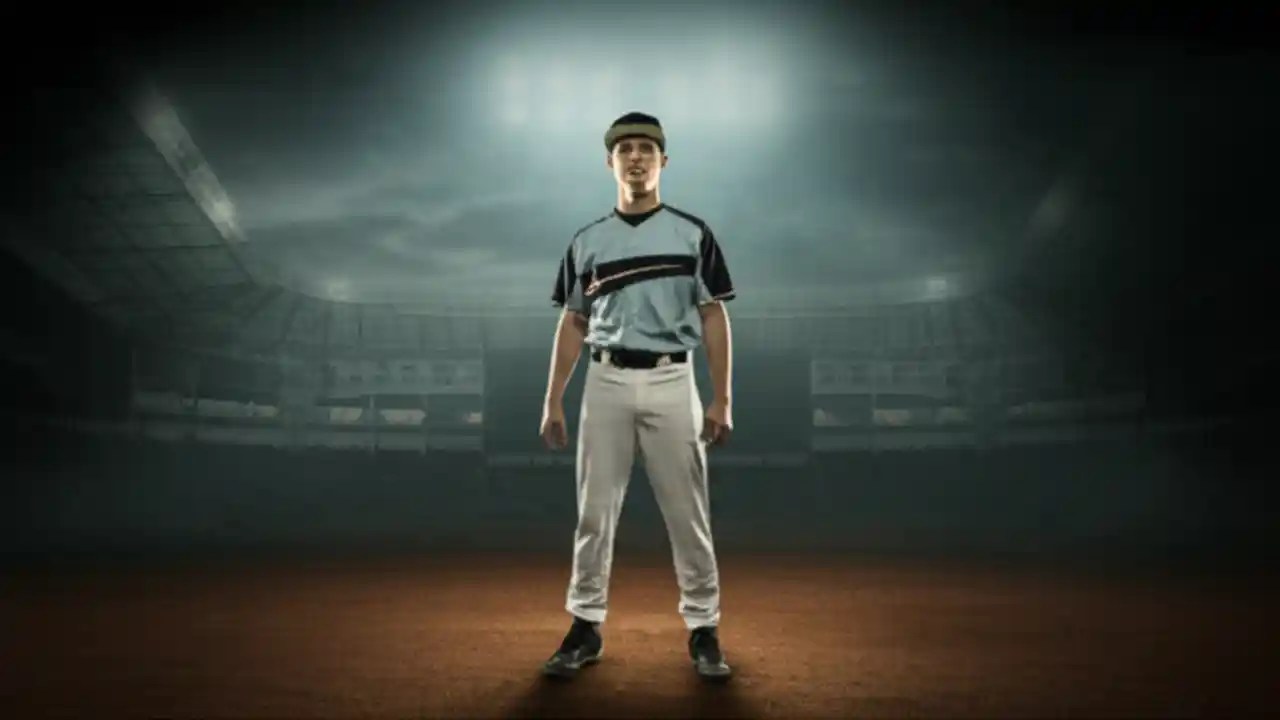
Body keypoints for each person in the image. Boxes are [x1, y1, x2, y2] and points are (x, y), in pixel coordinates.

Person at [539, 111, 736, 682]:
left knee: (688, 513)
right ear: (610, 162)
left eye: (646, 148)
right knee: (594, 514)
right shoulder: (587, 240)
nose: (636, 156)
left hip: (675, 378)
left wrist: (722, 397)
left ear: (663, 161)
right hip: (605, 380)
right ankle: (585, 625)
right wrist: (553, 398)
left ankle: (704, 629)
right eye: (624, 148)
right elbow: (573, 322)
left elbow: (713, 314)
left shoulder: (692, 233)